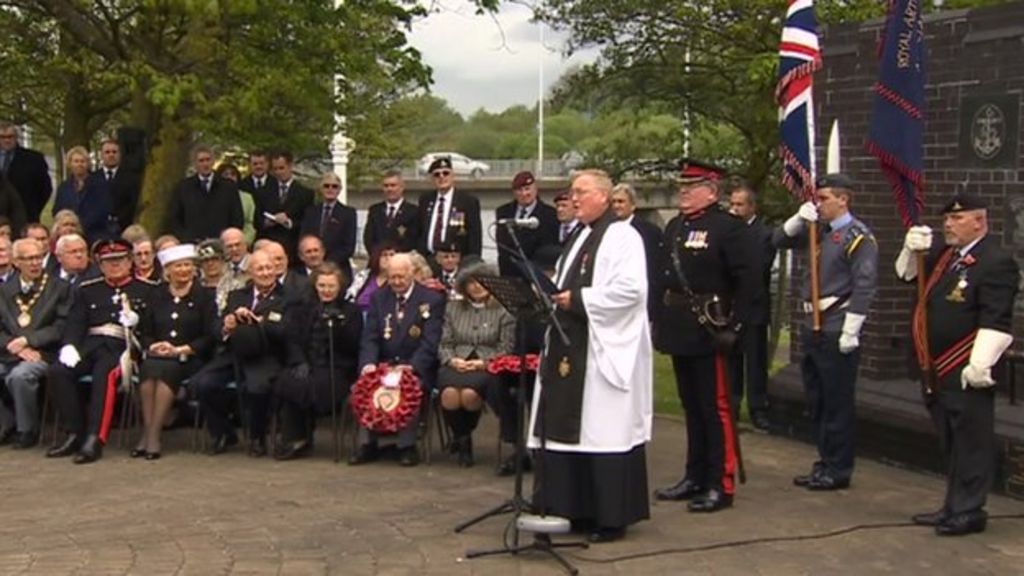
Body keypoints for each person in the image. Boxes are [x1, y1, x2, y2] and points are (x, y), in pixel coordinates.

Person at [527, 169, 652, 543]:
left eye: (581, 192)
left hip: (601, 348)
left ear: (603, 195)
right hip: (571, 340)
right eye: (572, 192)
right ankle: (573, 507)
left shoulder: (622, 236)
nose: (574, 198)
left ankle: (610, 516)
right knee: (571, 432)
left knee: (601, 430)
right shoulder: (581, 236)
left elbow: (631, 291)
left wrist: (578, 299)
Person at [896, 193, 1018, 536]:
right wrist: (911, 251)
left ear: (979, 221)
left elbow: (996, 316)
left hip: (966, 366)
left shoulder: (995, 261)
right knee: (951, 441)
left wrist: (980, 363)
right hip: (935, 366)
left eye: (957, 219)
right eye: (947, 219)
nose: (948, 224)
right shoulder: (946, 256)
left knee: (972, 441)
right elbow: (908, 278)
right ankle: (953, 504)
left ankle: (969, 510)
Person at [652, 162, 758, 513]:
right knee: (692, 408)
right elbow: (663, 279)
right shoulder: (675, 226)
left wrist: (736, 327)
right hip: (680, 327)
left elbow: (748, 282)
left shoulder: (729, 229)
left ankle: (719, 482)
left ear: (711, 192)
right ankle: (694, 475)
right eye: (682, 185)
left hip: (710, 328)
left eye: (692, 186)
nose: (683, 191)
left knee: (716, 409)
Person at [774, 173, 878, 491]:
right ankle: (824, 461)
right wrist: (796, 220)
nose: (819, 205)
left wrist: (851, 329)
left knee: (837, 402)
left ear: (843, 199)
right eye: (817, 199)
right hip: (812, 325)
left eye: (824, 199)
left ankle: (839, 467)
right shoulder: (817, 231)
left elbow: (865, 283)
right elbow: (778, 240)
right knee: (817, 400)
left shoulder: (857, 237)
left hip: (835, 326)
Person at [47, 238, 157, 464]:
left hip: (122, 346)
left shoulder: (148, 290)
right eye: (108, 261)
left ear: (130, 262)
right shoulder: (88, 290)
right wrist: (69, 345)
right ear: (100, 264)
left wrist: (138, 323)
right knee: (59, 371)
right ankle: (74, 432)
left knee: (104, 375)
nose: (114, 265)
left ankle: (95, 438)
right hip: (91, 344)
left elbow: (155, 327)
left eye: (119, 260)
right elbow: (76, 322)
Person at [350, 252, 445, 467]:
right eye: (392, 277)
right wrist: (368, 365)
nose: (396, 282)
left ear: (412, 273)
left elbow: (431, 342)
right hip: (384, 364)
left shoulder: (431, 299)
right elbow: (370, 338)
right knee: (363, 385)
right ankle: (367, 444)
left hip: (414, 366)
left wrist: (411, 367)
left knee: (410, 387)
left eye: (401, 277)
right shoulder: (379, 297)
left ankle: (407, 446)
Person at [133, 244, 216, 459]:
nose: (183, 270)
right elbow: (145, 331)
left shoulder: (205, 296)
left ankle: (151, 436)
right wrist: (153, 345)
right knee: (150, 369)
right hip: (158, 355)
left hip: (189, 358)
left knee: (166, 370)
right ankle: (149, 432)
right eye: (178, 266)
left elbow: (209, 336)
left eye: (188, 265)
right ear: (167, 270)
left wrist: (181, 349)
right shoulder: (156, 294)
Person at [205, 249, 289, 456]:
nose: (265, 272)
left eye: (269, 267)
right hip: (233, 353)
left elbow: (287, 331)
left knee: (256, 388)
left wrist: (259, 322)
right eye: (260, 268)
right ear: (250, 272)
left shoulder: (288, 298)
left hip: (267, 354)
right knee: (202, 384)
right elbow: (216, 329)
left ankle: (256, 436)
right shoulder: (236, 296)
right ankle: (225, 432)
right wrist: (227, 325)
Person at [276, 262, 362, 460]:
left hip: (336, 367)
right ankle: (295, 437)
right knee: (290, 381)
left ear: (339, 287)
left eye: (331, 286)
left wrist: (338, 327)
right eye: (322, 286)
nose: (326, 291)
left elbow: (352, 346)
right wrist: (299, 361)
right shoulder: (303, 308)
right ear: (315, 285)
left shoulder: (351, 311)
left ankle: (304, 435)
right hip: (307, 363)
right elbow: (293, 339)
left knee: (315, 385)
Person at [437, 260, 514, 466]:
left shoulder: (504, 310)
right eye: (471, 283)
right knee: (450, 395)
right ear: (463, 286)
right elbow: (444, 342)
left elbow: (506, 348)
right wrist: (452, 360)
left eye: (482, 282)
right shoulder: (452, 308)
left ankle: (462, 439)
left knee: (470, 396)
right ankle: (463, 440)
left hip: (486, 365)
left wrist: (482, 363)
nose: (477, 287)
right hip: (456, 362)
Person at [0, 238, 73, 448]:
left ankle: (27, 430)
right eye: (29, 258)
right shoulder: (4, 290)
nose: (35, 263)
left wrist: (28, 340)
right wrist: (14, 345)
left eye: (38, 257)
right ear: (15, 262)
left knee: (20, 376)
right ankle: (6, 423)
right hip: (10, 352)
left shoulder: (59, 288)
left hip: (45, 352)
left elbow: (61, 327)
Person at [727, 180, 776, 431]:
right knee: (732, 362)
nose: (734, 209)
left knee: (755, 362)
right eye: (732, 204)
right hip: (731, 309)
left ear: (752, 207)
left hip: (755, 308)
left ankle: (758, 408)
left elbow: (759, 267)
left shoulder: (764, 234)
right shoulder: (727, 232)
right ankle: (732, 407)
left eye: (740, 204)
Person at [610, 183, 665, 321]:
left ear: (633, 205)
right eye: (614, 202)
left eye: (621, 201)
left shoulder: (649, 232)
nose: (616, 205)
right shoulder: (605, 230)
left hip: (641, 301)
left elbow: (654, 269)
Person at [168, 144, 243, 243]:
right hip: (192, 243)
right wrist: (185, 237)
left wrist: (229, 237)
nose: (205, 164)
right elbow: (175, 218)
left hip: (221, 243)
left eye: (208, 160)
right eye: (201, 161)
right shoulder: (183, 187)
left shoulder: (228, 187)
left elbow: (237, 217)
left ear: (213, 161)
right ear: (194, 163)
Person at [494, 171, 559, 279]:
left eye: (527, 189)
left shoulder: (550, 214)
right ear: (514, 192)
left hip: (535, 274)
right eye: (520, 190)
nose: (524, 194)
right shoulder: (503, 212)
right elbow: (502, 244)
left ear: (535, 189)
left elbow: (548, 248)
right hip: (509, 273)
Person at [253, 151, 312, 266]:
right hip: (268, 246)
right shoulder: (263, 192)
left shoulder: (305, 193)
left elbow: (307, 222)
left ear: (290, 166)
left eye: (281, 168)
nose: (278, 172)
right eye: (275, 169)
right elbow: (257, 221)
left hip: (292, 248)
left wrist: (289, 222)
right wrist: (266, 222)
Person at [417, 157, 482, 258]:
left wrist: (473, 263)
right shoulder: (425, 200)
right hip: (428, 260)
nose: (441, 177)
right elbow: (420, 231)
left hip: (456, 261)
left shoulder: (467, 201)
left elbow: (475, 237)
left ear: (453, 176)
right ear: (432, 179)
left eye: (445, 173)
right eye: (437, 174)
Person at [299, 172, 356, 282]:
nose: (330, 189)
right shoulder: (310, 212)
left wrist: (325, 262)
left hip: (338, 268)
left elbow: (349, 247)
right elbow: (303, 239)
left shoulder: (348, 213)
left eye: (334, 186)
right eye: (326, 186)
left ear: (339, 190)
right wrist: (313, 260)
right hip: (311, 268)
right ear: (321, 188)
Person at [52, 146, 116, 244]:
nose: (79, 164)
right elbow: (57, 210)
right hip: (67, 234)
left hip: (94, 233)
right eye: (76, 161)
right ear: (70, 164)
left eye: (83, 161)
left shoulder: (100, 184)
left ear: (88, 164)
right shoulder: (64, 187)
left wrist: (79, 227)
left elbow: (104, 209)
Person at [0, 122, 51, 223]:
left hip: (26, 217)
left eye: (10, 137)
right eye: (2, 137)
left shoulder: (34, 159)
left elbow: (45, 189)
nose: (6, 140)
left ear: (16, 137)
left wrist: (33, 210)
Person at [91, 138, 141, 234]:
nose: (111, 155)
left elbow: (133, 203)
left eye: (114, 152)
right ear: (101, 155)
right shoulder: (93, 179)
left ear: (120, 154)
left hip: (124, 228)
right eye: (107, 152)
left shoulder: (131, 178)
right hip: (99, 229)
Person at [364, 170, 419, 253]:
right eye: (386, 186)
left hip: (402, 261)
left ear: (402, 187)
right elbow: (368, 239)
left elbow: (413, 239)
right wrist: (380, 256)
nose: (389, 189)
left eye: (393, 185)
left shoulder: (413, 211)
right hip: (378, 260)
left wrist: (395, 258)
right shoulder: (375, 210)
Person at [347, 241, 395, 314]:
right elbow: (350, 296)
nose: (388, 258)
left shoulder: (397, 280)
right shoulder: (364, 275)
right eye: (384, 255)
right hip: (359, 313)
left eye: (391, 255)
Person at [217, 162, 256, 245]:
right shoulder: (214, 196)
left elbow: (250, 223)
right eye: (226, 174)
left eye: (232, 174)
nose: (229, 177)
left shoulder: (247, 197)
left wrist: (243, 242)